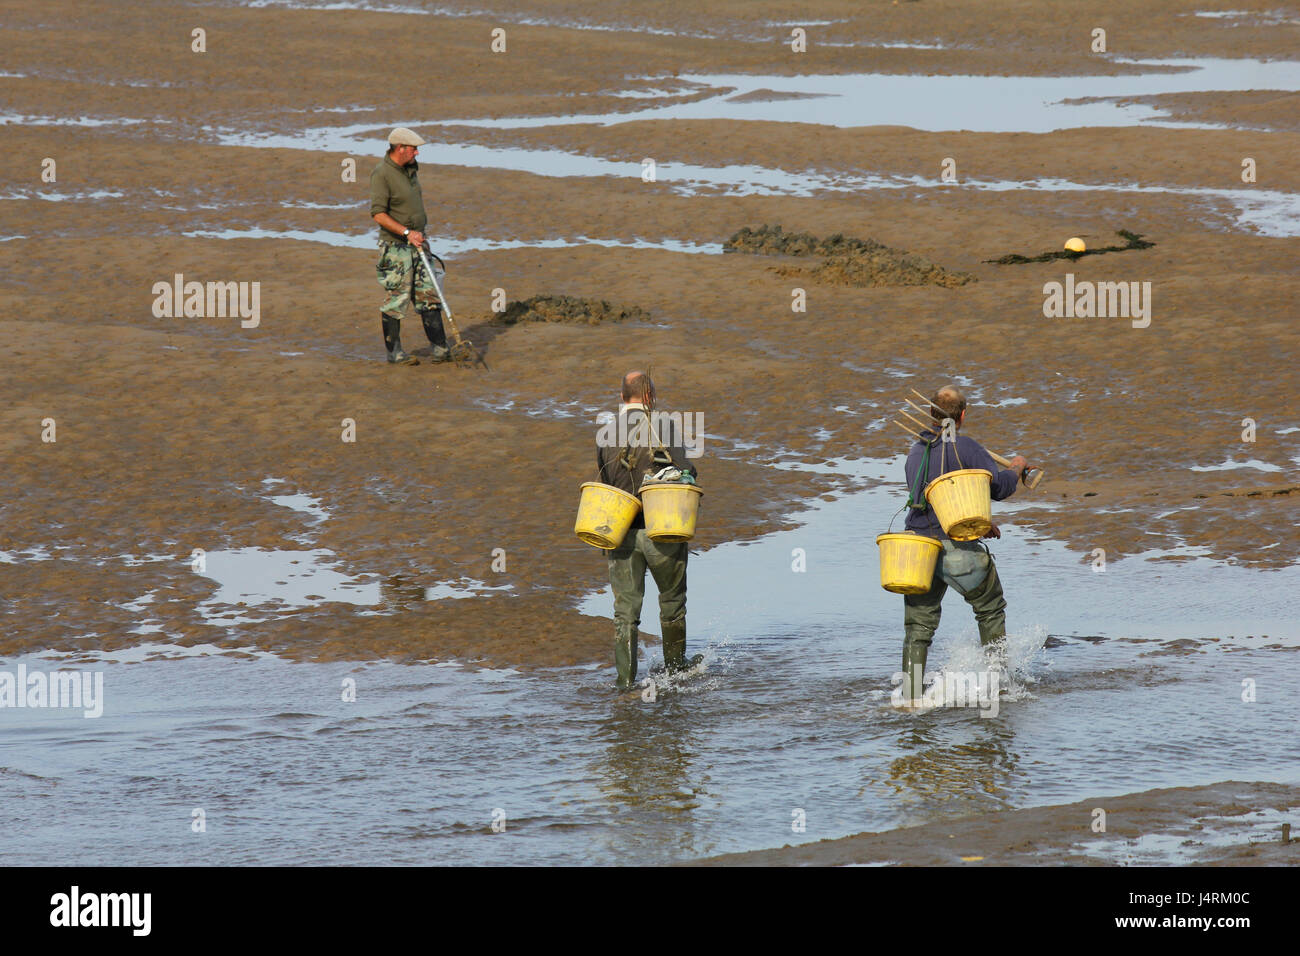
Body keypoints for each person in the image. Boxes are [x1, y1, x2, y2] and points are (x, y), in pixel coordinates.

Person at [899, 385, 1031, 699]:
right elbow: (996, 488)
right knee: (989, 610)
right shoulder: (967, 448)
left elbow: (937, 503)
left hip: (918, 550)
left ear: (931, 414)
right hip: (955, 549)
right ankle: (1001, 688)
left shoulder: (915, 452)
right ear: (962, 415)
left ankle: (910, 698)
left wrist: (980, 523)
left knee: (918, 629)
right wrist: (1016, 468)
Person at [596, 371, 701, 691]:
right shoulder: (665, 426)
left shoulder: (605, 432)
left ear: (623, 396)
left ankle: (625, 682)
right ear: (648, 397)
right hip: (663, 530)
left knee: (624, 613)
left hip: (620, 532)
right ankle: (676, 672)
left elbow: (603, 486)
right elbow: (687, 473)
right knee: (671, 602)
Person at [368, 127, 450, 365]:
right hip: (397, 248)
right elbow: (378, 214)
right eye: (413, 148)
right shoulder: (382, 174)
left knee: (429, 296)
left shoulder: (411, 171)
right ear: (400, 148)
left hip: (420, 244)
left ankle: (441, 349)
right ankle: (394, 353)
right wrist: (406, 232)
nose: (417, 153)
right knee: (397, 300)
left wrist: (418, 235)